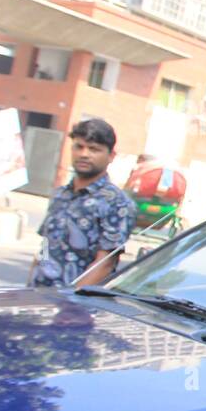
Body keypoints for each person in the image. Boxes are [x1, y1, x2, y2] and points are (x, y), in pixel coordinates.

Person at [29, 118, 136, 288]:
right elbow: (45, 249)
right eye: (79, 146)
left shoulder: (117, 203)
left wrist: (69, 305)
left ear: (111, 156)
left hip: (73, 309)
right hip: (36, 300)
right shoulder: (60, 194)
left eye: (94, 149)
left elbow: (105, 264)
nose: (84, 154)